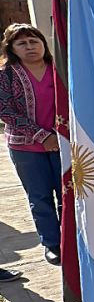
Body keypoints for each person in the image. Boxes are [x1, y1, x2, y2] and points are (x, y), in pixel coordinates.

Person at [0, 24, 62, 265]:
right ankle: (52, 243)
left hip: (62, 142)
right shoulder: (6, 75)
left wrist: (58, 136)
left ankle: (72, 239)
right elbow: (6, 110)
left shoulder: (59, 69)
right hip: (26, 148)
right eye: (22, 43)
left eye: (34, 41)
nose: (30, 47)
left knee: (67, 193)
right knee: (40, 196)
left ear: (43, 44)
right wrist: (41, 136)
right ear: (12, 49)